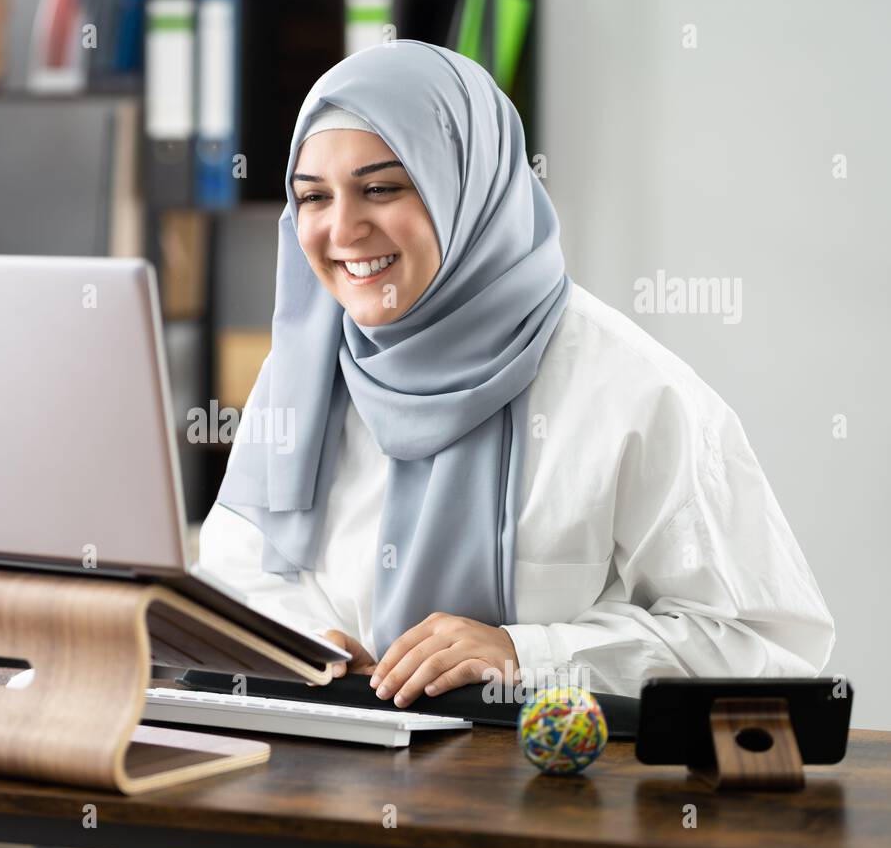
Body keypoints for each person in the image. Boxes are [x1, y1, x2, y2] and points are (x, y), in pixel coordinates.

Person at [197, 40, 835, 707]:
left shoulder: (636, 394)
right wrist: (303, 643)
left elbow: (765, 651)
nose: (342, 229)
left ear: (472, 185)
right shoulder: (299, 375)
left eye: (380, 188)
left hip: (552, 795)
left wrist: (525, 654)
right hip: (324, 789)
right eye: (313, 197)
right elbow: (233, 582)